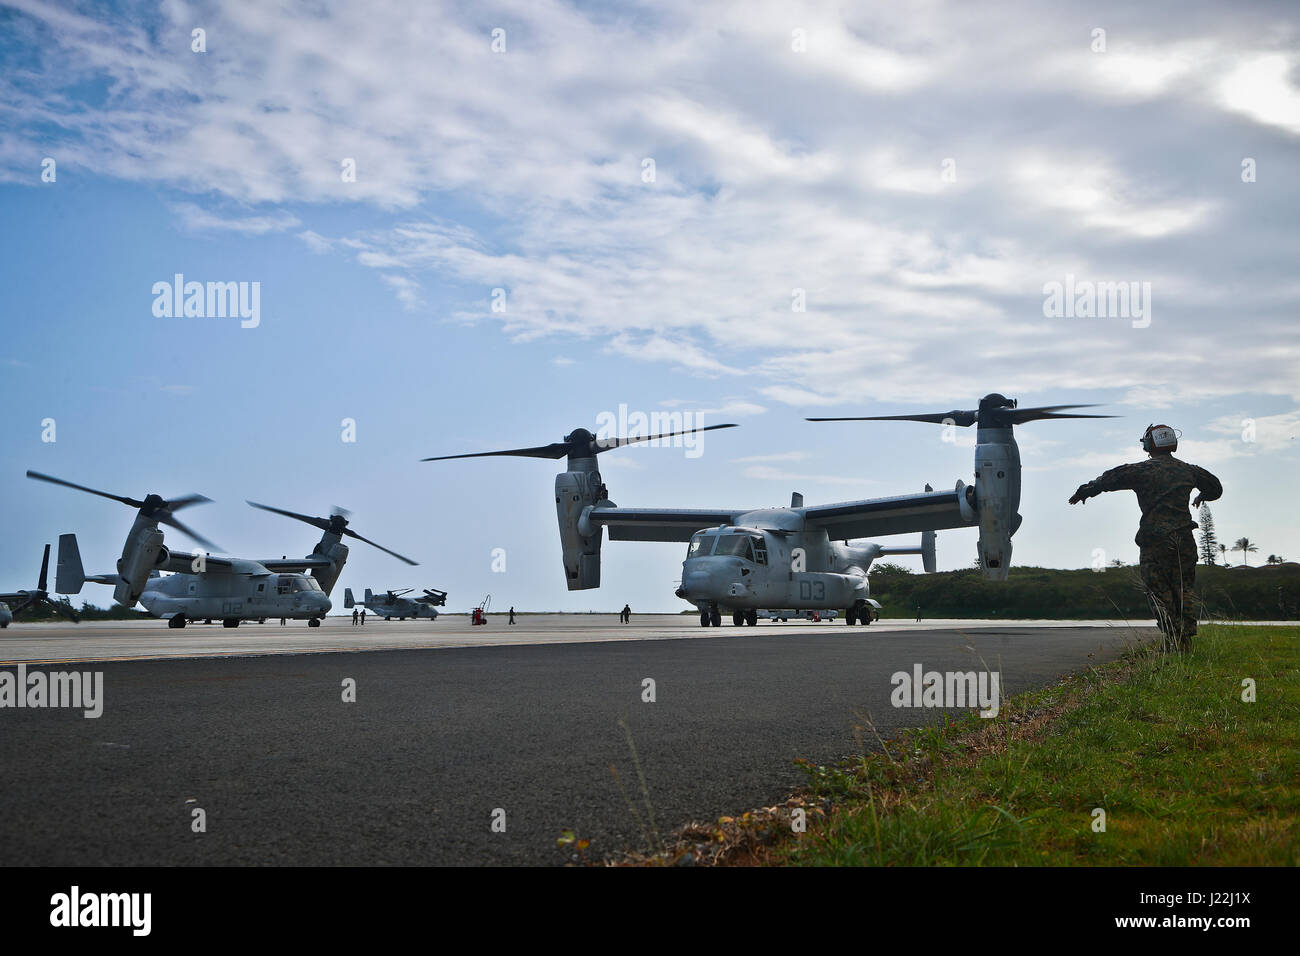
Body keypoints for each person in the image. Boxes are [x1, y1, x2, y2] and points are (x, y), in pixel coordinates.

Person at [1070, 424, 1223, 652]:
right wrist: (1202, 495)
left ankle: (1174, 640)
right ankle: (1185, 640)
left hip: (1155, 542)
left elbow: (1109, 479)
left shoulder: (1141, 470)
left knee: (1158, 591)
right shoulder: (1189, 471)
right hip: (1184, 541)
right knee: (1184, 588)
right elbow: (1216, 488)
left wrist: (1085, 490)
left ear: (1149, 445)